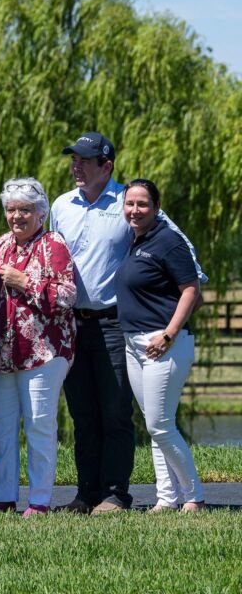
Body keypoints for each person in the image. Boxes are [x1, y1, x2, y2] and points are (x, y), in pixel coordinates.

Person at [50, 131, 205, 514]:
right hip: (73, 324)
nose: (76, 167)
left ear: (107, 166)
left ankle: (115, 494)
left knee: (116, 411)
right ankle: (86, 493)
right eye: (74, 160)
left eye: (85, 161)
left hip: (116, 324)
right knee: (82, 412)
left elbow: (179, 249)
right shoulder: (61, 205)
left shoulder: (128, 202)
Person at [0, 178, 76, 517]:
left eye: (25, 210)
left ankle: (39, 500)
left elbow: (66, 296)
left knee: (38, 424)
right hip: (3, 351)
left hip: (43, 351)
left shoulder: (53, 243)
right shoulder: (2, 243)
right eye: (11, 209)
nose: (16, 216)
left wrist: (26, 283)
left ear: (41, 212)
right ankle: (3, 495)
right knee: (0, 424)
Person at [116, 179, 205, 512]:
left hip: (164, 343)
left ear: (155, 207)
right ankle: (167, 499)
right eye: (130, 204)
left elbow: (192, 291)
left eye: (142, 204)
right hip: (134, 344)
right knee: (156, 423)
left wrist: (168, 333)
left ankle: (193, 496)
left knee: (159, 424)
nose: (135, 210)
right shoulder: (135, 241)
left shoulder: (169, 241)